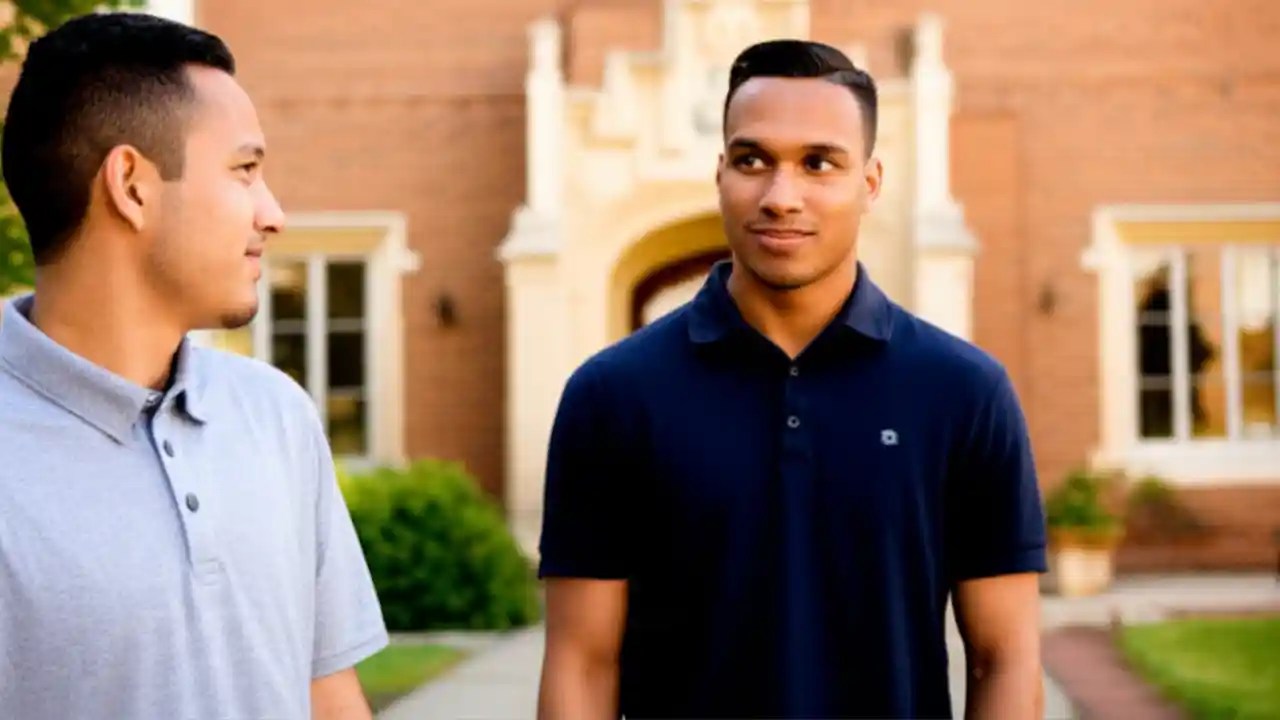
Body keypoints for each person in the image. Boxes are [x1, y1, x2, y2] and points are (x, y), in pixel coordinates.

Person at [537, 39, 1047, 719]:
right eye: (753, 160)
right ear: (720, 173)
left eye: (818, 163)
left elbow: (1004, 658)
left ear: (870, 182)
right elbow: (582, 661)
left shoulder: (963, 393)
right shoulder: (612, 396)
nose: (781, 197)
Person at [0, 12, 387, 719]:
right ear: (131, 185)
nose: (273, 214)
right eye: (245, 170)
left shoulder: (277, 415)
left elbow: (328, 695)